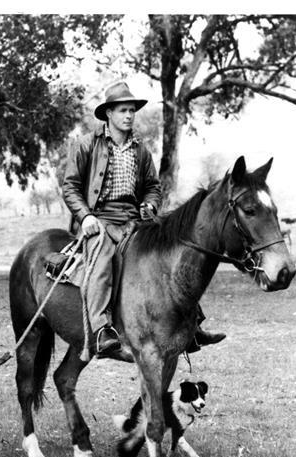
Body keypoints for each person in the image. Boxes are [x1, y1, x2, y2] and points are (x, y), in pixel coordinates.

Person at [62, 81, 225, 357]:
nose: (129, 116)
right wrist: (85, 216)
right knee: (102, 259)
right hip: (100, 220)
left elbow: (152, 186)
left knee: (170, 255)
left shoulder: (141, 150)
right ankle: (102, 330)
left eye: (132, 111)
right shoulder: (87, 145)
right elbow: (70, 186)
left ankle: (192, 326)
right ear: (109, 114)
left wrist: (150, 203)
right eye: (123, 110)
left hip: (134, 221)